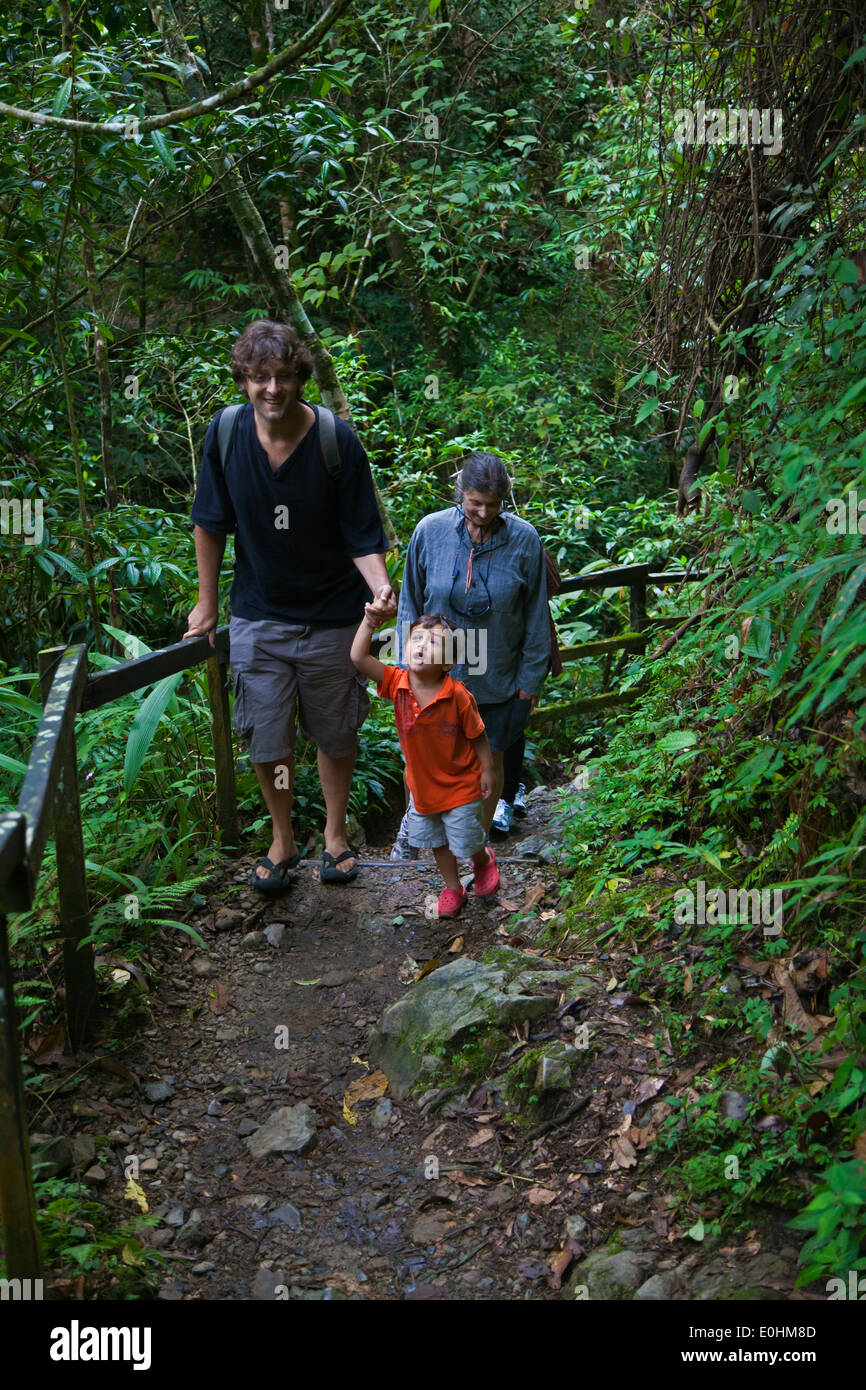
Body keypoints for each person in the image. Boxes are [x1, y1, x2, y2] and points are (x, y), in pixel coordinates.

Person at [184, 319, 396, 894]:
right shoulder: (225, 435)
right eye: (258, 378)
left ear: (299, 376)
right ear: (244, 381)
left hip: (333, 618)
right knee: (269, 739)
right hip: (258, 615)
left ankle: (333, 835)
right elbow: (209, 524)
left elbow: (362, 534)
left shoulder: (335, 441)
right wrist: (206, 606)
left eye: (281, 377)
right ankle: (282, 839)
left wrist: (380, 589)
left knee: (335, 735)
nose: (270, 389)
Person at [391, 452, 550, 857]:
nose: (482, 513)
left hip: (496, 671)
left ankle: (475, 848)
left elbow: (536, 616)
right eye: (474, 503)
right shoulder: (430, 531)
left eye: (492, 505)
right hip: (436, 676)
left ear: (504, 501)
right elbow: (410, 600)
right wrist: (407, 667)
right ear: (460, 493)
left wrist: (530, 681)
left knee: (489, 762)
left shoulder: (524, 539)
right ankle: (425, 830)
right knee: (430, 754)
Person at [352, 609, 498, 917]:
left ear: (448, 661)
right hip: (422, 787)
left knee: (465, 838)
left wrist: (488, 768)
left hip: (461, 783)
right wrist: (369, 622)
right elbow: (359, 657)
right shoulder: (397, 683)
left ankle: (482, 859)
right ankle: (453, 887)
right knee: (437, 841)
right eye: (416, 638)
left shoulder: (458, 695)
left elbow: (478, 735)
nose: (421, 645)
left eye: (433, 641)